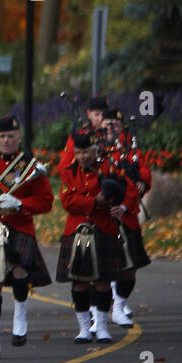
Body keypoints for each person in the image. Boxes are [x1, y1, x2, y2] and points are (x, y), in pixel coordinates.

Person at [0, 115, 53, 359]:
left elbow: (46, 202)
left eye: (11, 136)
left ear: (19, 137)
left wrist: (20, 203)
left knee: (19, 271)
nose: (6, 140)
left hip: (20, 227)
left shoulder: (30, 166)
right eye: (2, 136)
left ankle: (20, 314)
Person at [55, 130, 132, 344]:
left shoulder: (108, 169)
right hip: (76, 231)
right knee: (79, 283)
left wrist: (122, 206)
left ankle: (102, 327)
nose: (82, 157)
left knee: (103, 282)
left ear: (94, 150)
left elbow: (128, 190)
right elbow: (67, 201)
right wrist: (96, 202)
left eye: (86, 152)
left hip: (104, 229)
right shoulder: (68, 173)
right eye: (78, 153)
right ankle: (84, 329)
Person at [100, 108, 150, 325]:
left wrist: (142, 182)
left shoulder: (130, 149)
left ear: (121, 128)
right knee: (99, 267)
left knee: (130, 265)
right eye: (107, 123)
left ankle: (119, 306)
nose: (111, 128)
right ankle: (97, 314)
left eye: (115, 124)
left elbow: (143, 170)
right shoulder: (95, 148)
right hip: (102, 216)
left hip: (127, 214)